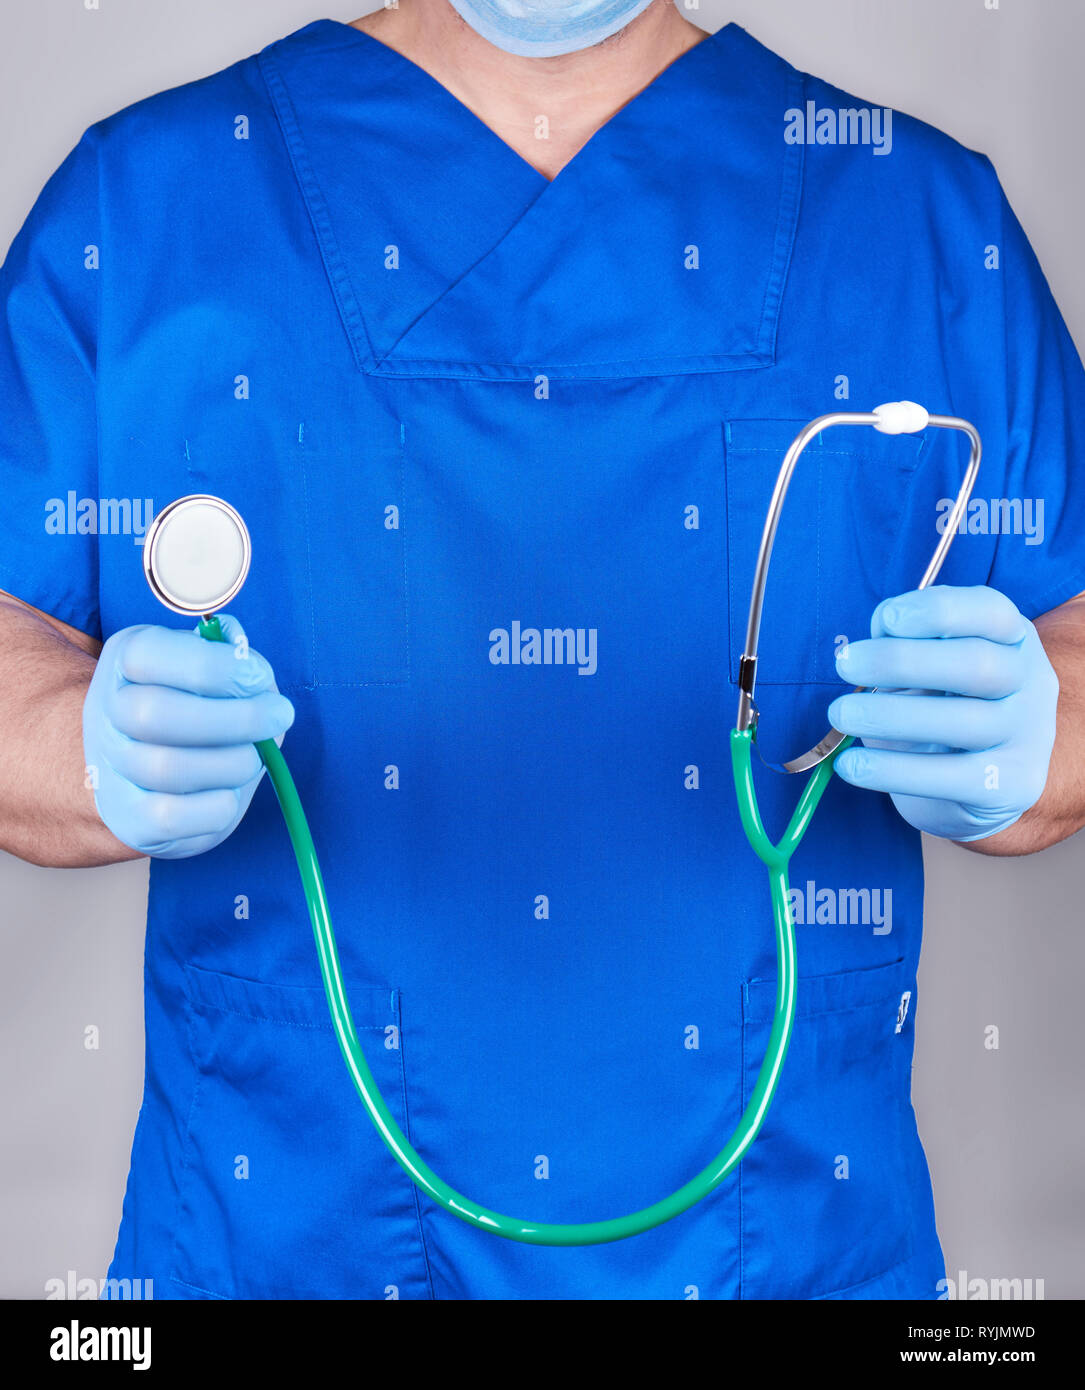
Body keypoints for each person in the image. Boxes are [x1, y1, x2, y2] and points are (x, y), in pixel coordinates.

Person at [1, 0, 1082, 1301]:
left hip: (784, 1249)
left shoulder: (912, 214)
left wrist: (1037, 737)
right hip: (283, 1241)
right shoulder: (152, 202)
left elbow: (1069, 622)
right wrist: (82, 744)